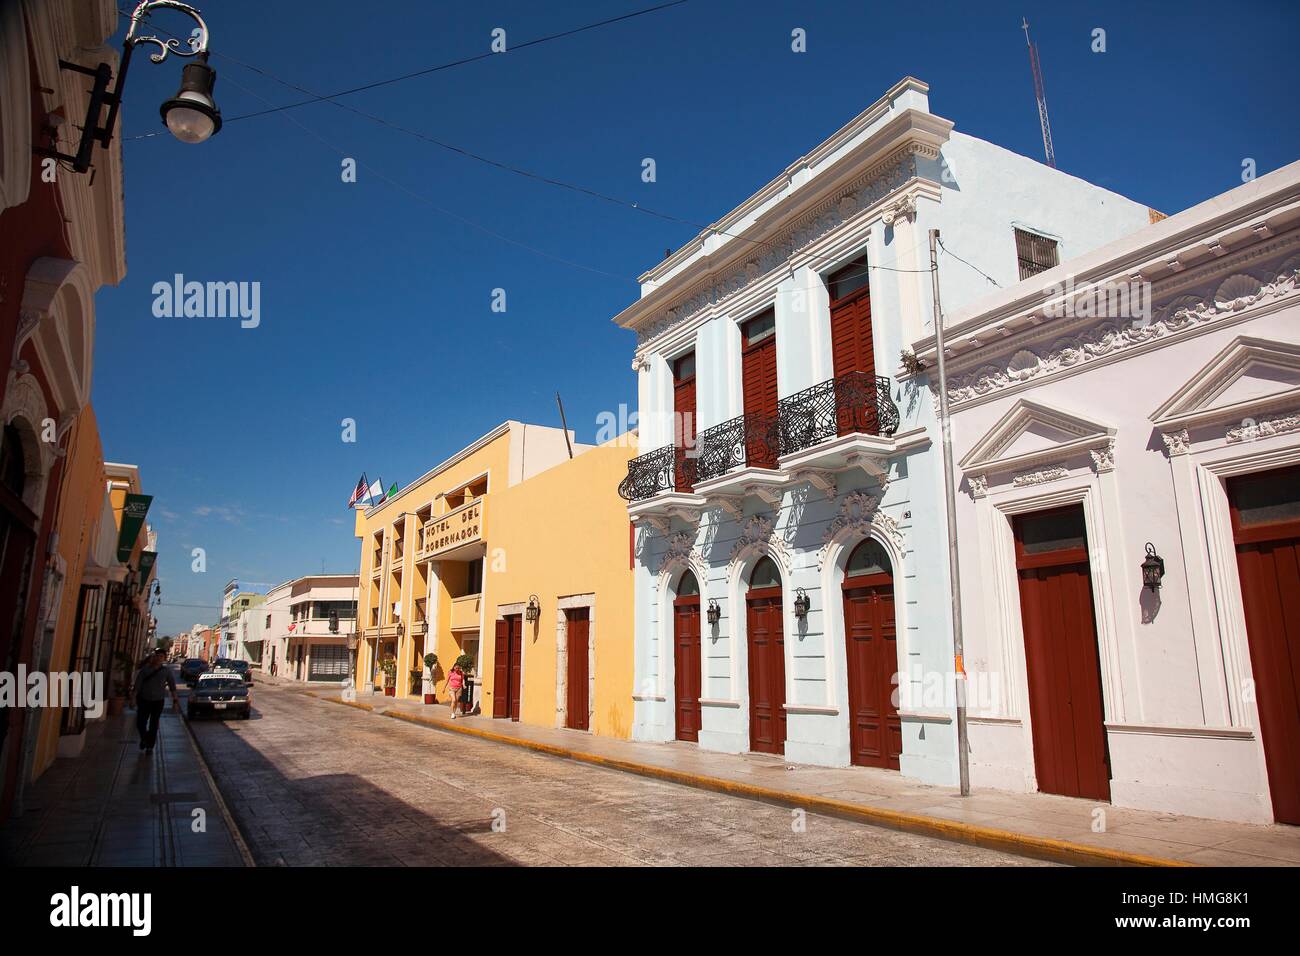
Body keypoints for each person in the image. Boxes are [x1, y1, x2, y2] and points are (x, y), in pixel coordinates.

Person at [131, 650, 180, 753]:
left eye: (161, 656)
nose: (159, 658)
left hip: (158, 701)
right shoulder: (145, 670)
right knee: (140, 723)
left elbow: (172, 687)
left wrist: (175, 701)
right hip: (144, 699)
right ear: (154, 657)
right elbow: (137, 685)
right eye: (157, 656)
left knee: (154, 724)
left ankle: (150, 746)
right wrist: (133, 698)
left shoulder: (166, 671)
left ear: (164, 658)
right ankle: (144, 738)